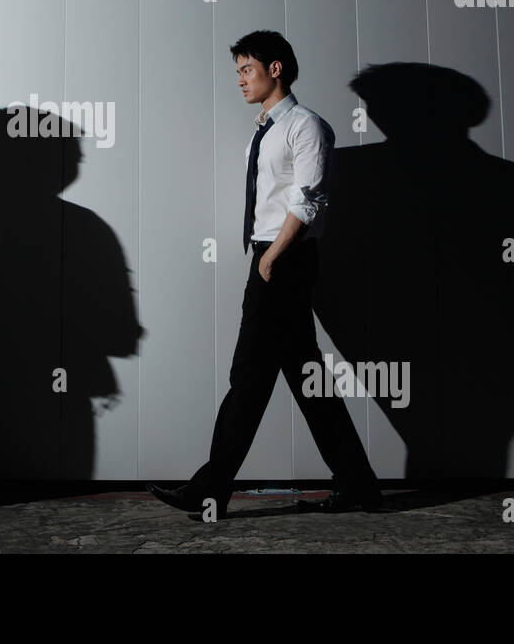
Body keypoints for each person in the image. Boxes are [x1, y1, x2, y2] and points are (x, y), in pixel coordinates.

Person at [148, 30, 381, 519]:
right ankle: (358, 482)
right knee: (305, 375)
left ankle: (208, 490)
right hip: (272, 255)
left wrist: (271, 257)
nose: (239, 79)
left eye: (246, 69)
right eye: (237, 71)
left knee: (249, 377)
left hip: (285, 258)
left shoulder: (306, 126)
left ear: (276, 69)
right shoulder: (267, 129)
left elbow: (309, 199)